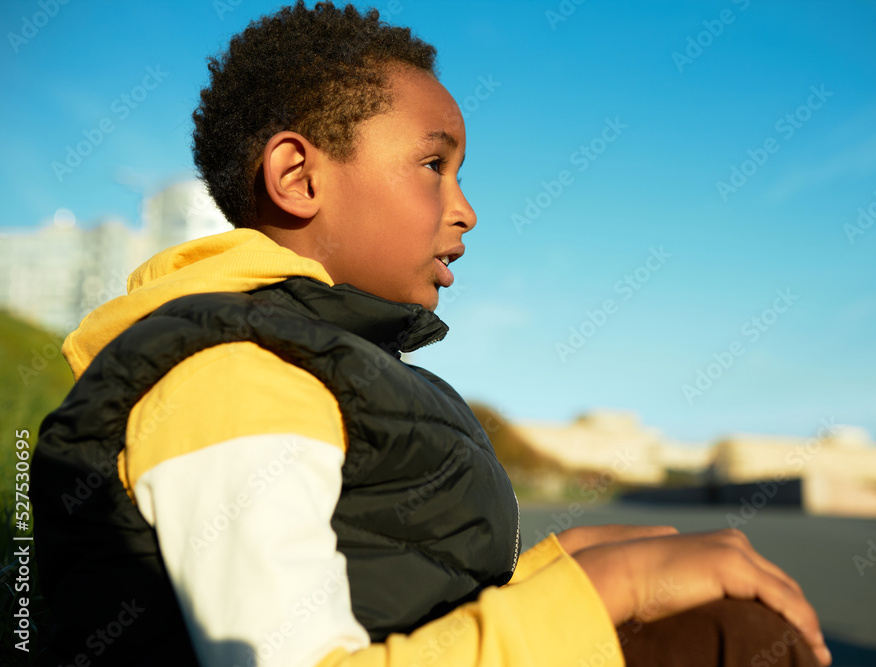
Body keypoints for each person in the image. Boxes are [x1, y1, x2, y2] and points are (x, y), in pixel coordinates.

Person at [30, 3, 831, 666]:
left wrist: (560, 565)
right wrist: (611, 590)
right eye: (433, 165)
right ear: (299, 177)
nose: (465, 209)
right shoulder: (233, 378)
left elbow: (390, 596)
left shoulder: (320, 361)